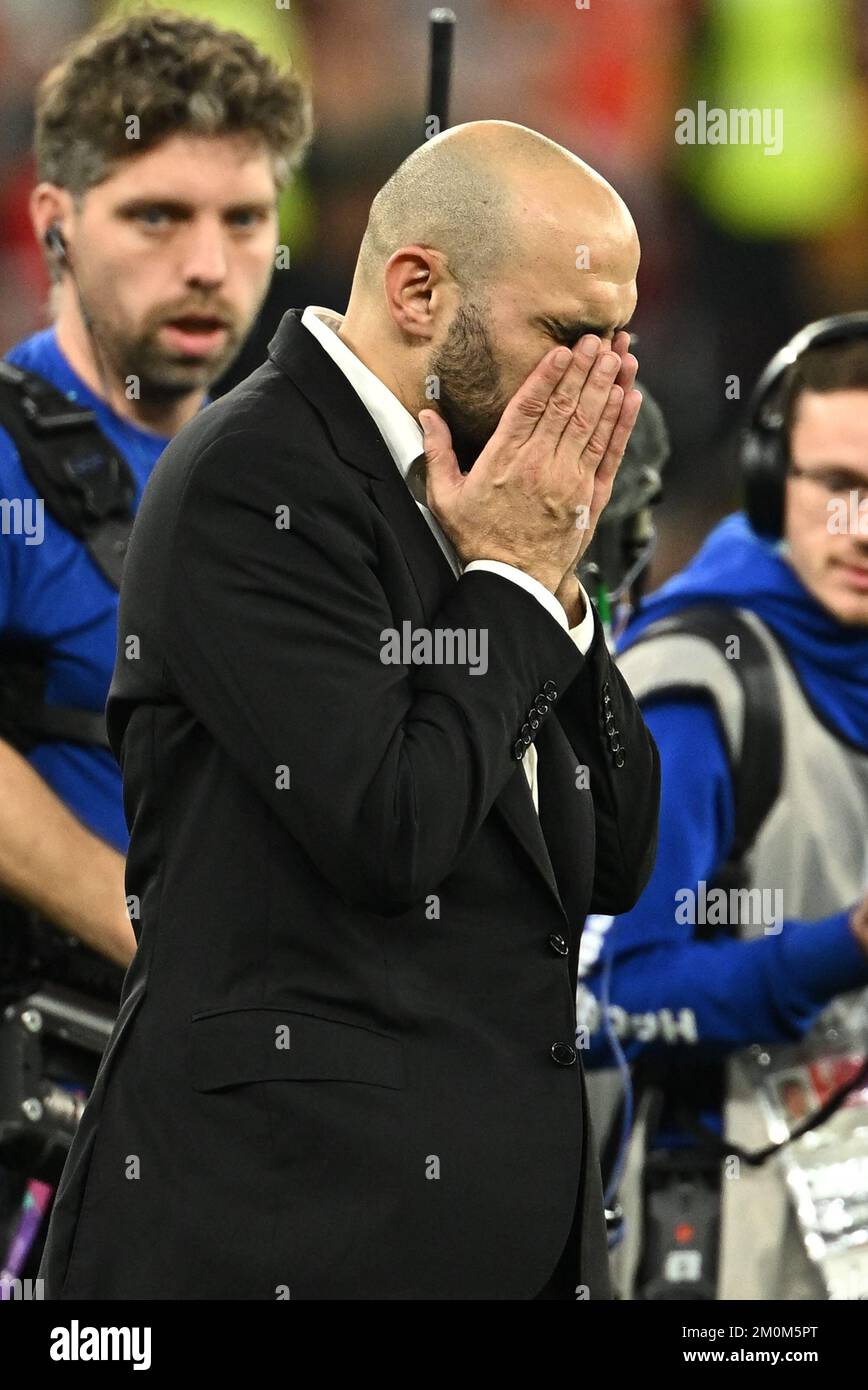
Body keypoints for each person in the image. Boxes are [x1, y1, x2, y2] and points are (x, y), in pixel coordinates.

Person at [37, 120, 660, 1301]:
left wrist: (561, 597)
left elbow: (617, 860)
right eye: (570, 338)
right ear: (418, 289)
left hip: (504, 1236)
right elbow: (393, 829)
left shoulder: (501, 503)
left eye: (621, 343)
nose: (601, 387)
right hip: (287, 1227)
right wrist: (515, 587)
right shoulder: (256, 477)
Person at [0, 8, 309, 1272]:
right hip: (46, 1109)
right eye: (155, 216)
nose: (207, 263)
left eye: (242, 220)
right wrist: (167, 941)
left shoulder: (301, 478)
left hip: (247, 1122)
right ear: (54, 225)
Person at [579, 316, 868, 1300]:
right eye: (837, 487)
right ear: (767, 481)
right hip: (729, 1252)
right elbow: (611, 998)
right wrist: (844, 945)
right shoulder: (701, 684)